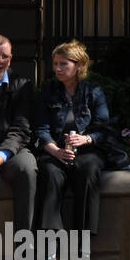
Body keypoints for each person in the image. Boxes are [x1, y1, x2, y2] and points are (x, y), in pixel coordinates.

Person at [34, 40, 110, 244]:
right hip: (55, 150)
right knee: (49, 173)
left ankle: (81, 238)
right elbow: (41, 129)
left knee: (89, 169)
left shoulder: (93, 92)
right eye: (55, 64)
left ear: (78, 66)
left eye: (63, 64)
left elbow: (104, 129)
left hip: (86, 151)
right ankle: (50, 238)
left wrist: (85, 139)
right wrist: (56, 151)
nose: (57, 69)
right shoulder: (48, 91)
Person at [0, 34, 42, 260]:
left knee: (27, 169)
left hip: (6, 150)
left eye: (5, 56)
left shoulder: (21, 86)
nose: (0, 61)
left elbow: (20, 131)